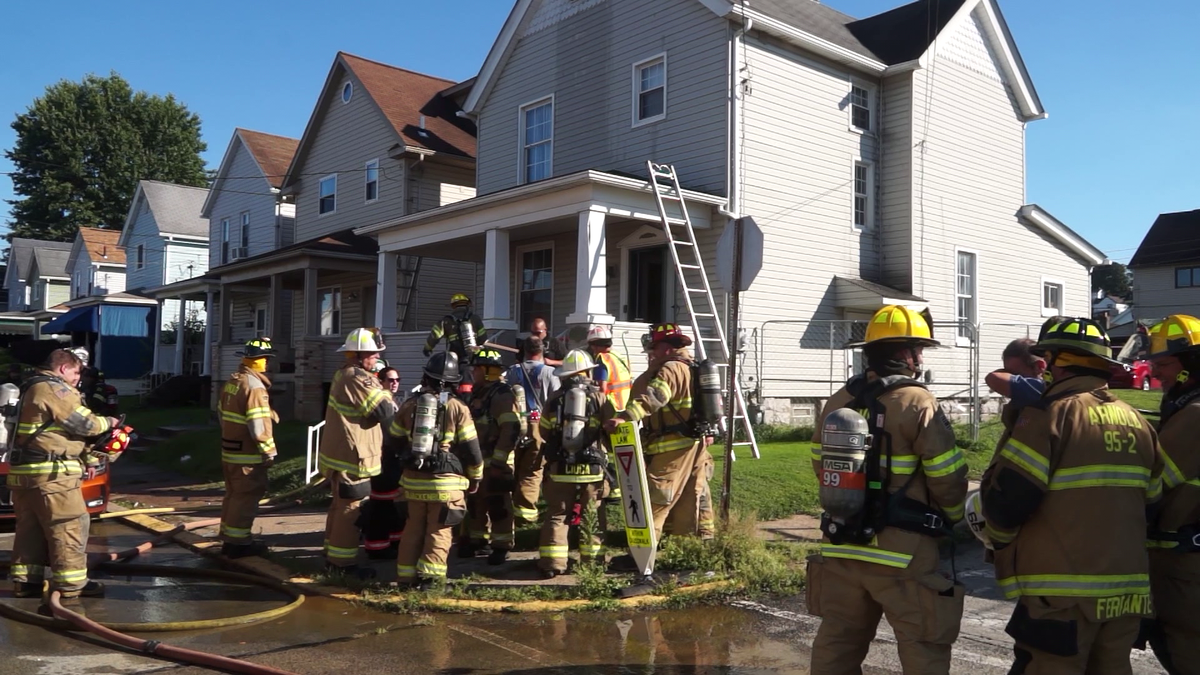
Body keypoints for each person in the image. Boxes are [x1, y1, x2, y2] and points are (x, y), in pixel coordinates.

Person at [980, 317, 1159, 674]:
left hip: (1061, 599)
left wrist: (998, 546)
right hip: (1125, 595)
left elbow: (1006, 503)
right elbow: (1153, 503)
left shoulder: (1051, 415)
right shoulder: (1138, 421)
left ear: (1058, 362)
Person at [807, 305, 967, 675]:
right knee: (922, 643)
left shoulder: (839, 400)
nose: (920, 358)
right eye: (918, 350)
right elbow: (946, 474)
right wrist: (954, 519)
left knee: (838, 640)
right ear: (904, 353)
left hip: (844, 541)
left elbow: (821, 463)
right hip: (903, 553)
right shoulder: (918, 401)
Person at [7, 349, 117, 602]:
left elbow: (57, 432)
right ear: (63, 368)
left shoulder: (29, 387)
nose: (78, 378)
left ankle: (26, 583)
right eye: (76, 371)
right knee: (68, 527)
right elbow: (84, 424)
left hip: (26, 474)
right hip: (53, 476)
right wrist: (109, 423)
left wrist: (87, 456)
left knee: (30, 531)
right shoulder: (54, 388)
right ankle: (72, 585)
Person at [603, 324, 712, 539]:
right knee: (689, 498)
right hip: (692, 445)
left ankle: (642, 552)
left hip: (672, 447)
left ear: (668, 348)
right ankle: (688, 545)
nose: (652, 352)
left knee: (657, 498)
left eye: (655, 347)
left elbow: (656, 397)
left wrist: (624, 417)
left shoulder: (671, 368)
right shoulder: (691, 366)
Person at [1138, 315, 1200, 674]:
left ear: (1190, 364)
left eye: (1163, 364)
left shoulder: (1194, 415)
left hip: (1183, 572)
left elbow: (1151, 483)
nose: (1155, 372)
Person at [390, 352, 482, 590]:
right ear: (453, 381)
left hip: (413, 481)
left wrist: (409, 459)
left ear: (426, 376)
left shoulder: (410, 404)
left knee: (412, 529)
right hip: (445, 485)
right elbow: (472, 449)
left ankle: (405, 579)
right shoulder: (457, 408)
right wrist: (476, 475)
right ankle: (431, 582)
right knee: (438, 531)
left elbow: (393, 441)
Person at [319, 328, 398, 578]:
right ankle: (343, 565)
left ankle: (332, 557)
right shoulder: (357, 377)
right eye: (372, 352)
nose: (377, 356)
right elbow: (384, 411)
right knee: (351, 510)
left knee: (340, 506)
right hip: (353, 456)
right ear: (356, 353)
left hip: (343, 453)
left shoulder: (348, 374)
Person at [537, 349, 610, 577]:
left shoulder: (555, 398)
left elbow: (544, 431)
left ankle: (553, 564)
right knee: (593, 513)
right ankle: (592, 563)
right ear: (587, 371)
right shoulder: (599, 398)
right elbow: (610, 430)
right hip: (592, 469)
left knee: (558, 515)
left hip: (560, 469)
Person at [460, 348, 526, 564]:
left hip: (497, 462)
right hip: (478, 461)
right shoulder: (479, 393)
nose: (473, 372)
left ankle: (501, 545)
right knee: (476, 502)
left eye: (477, 368)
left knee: (498, 504)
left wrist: (499, 460)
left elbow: (511, 429)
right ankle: (477, 541)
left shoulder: (502, 396)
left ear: (487, 371)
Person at [215, 338, 279, 558]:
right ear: (259, 361)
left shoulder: (233, 381)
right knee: (246, 497)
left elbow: (222, 415)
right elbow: (259, 424)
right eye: (266, 359)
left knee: (234, 495)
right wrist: (268, 451)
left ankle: (229, 539)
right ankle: (239, 544)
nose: (268, 364)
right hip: (248, 457)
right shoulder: (254, 387)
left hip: (230, 451)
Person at [507, 335, 560, 522]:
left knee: (513, 466)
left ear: (524, 350)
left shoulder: (512, 371)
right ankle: (525, 514)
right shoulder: (551, 373)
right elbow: (556, 401)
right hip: (540, 426)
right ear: (542, 351)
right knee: (532, 469)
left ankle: (508, 510)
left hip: (513, 424)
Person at [423, 293, 486, 363]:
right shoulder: (475, 318)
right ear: (467, 304)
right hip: (473, 357)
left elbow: (434, 335)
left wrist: (427, 348)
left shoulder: (446, 320)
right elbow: (483, 339)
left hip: (454, 357)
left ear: (453, 306)